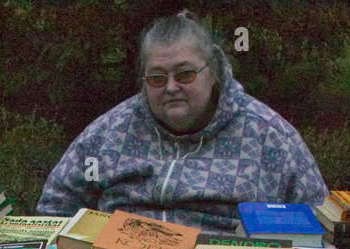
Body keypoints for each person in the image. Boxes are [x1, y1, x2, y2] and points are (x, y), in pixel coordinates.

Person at [37, 11, 329, 233]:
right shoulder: (109, 133)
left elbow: (318, 221)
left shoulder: (270, 136)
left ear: (212, 73)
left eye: (185, 74)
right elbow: (55, 206)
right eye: (157, 78)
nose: (171, 87)